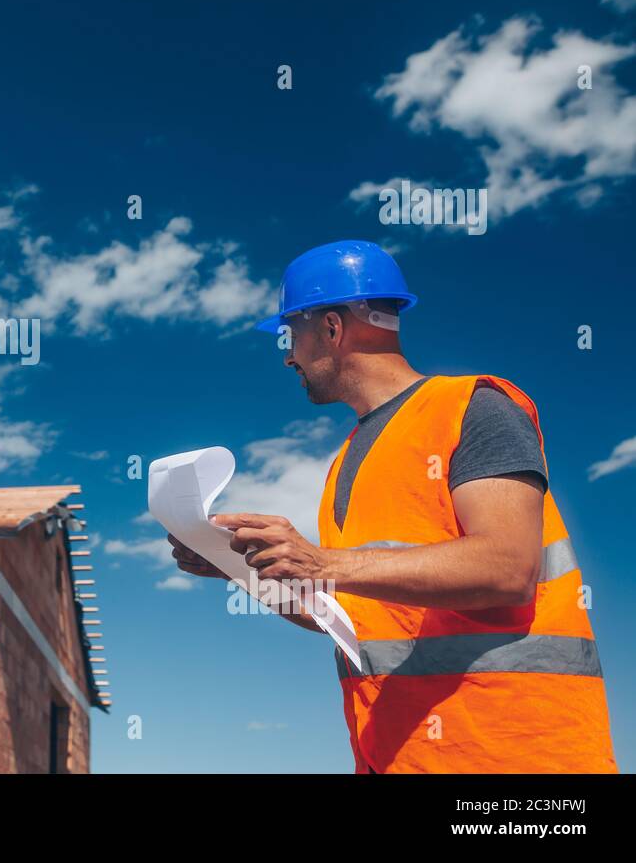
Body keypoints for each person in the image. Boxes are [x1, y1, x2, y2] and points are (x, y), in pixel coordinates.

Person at [171, 239, 617, 773]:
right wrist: (242, 569)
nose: (288, 355)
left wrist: (323, 562)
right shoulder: (347, 461)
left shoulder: (470, 407)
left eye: (291, 335)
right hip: (401, 759)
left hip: (514, 758)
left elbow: (507, 568)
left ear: (332, 328)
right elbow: (355, 619)